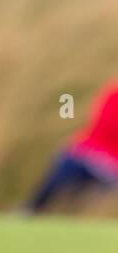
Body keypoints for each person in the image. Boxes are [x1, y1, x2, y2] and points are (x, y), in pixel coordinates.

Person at [27, 80, 118, 213]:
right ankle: (30, 211)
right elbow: (105, 124)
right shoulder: (113, 95)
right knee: (56, 181)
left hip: (111, 166)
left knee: (90, 199)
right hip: (84, 153)